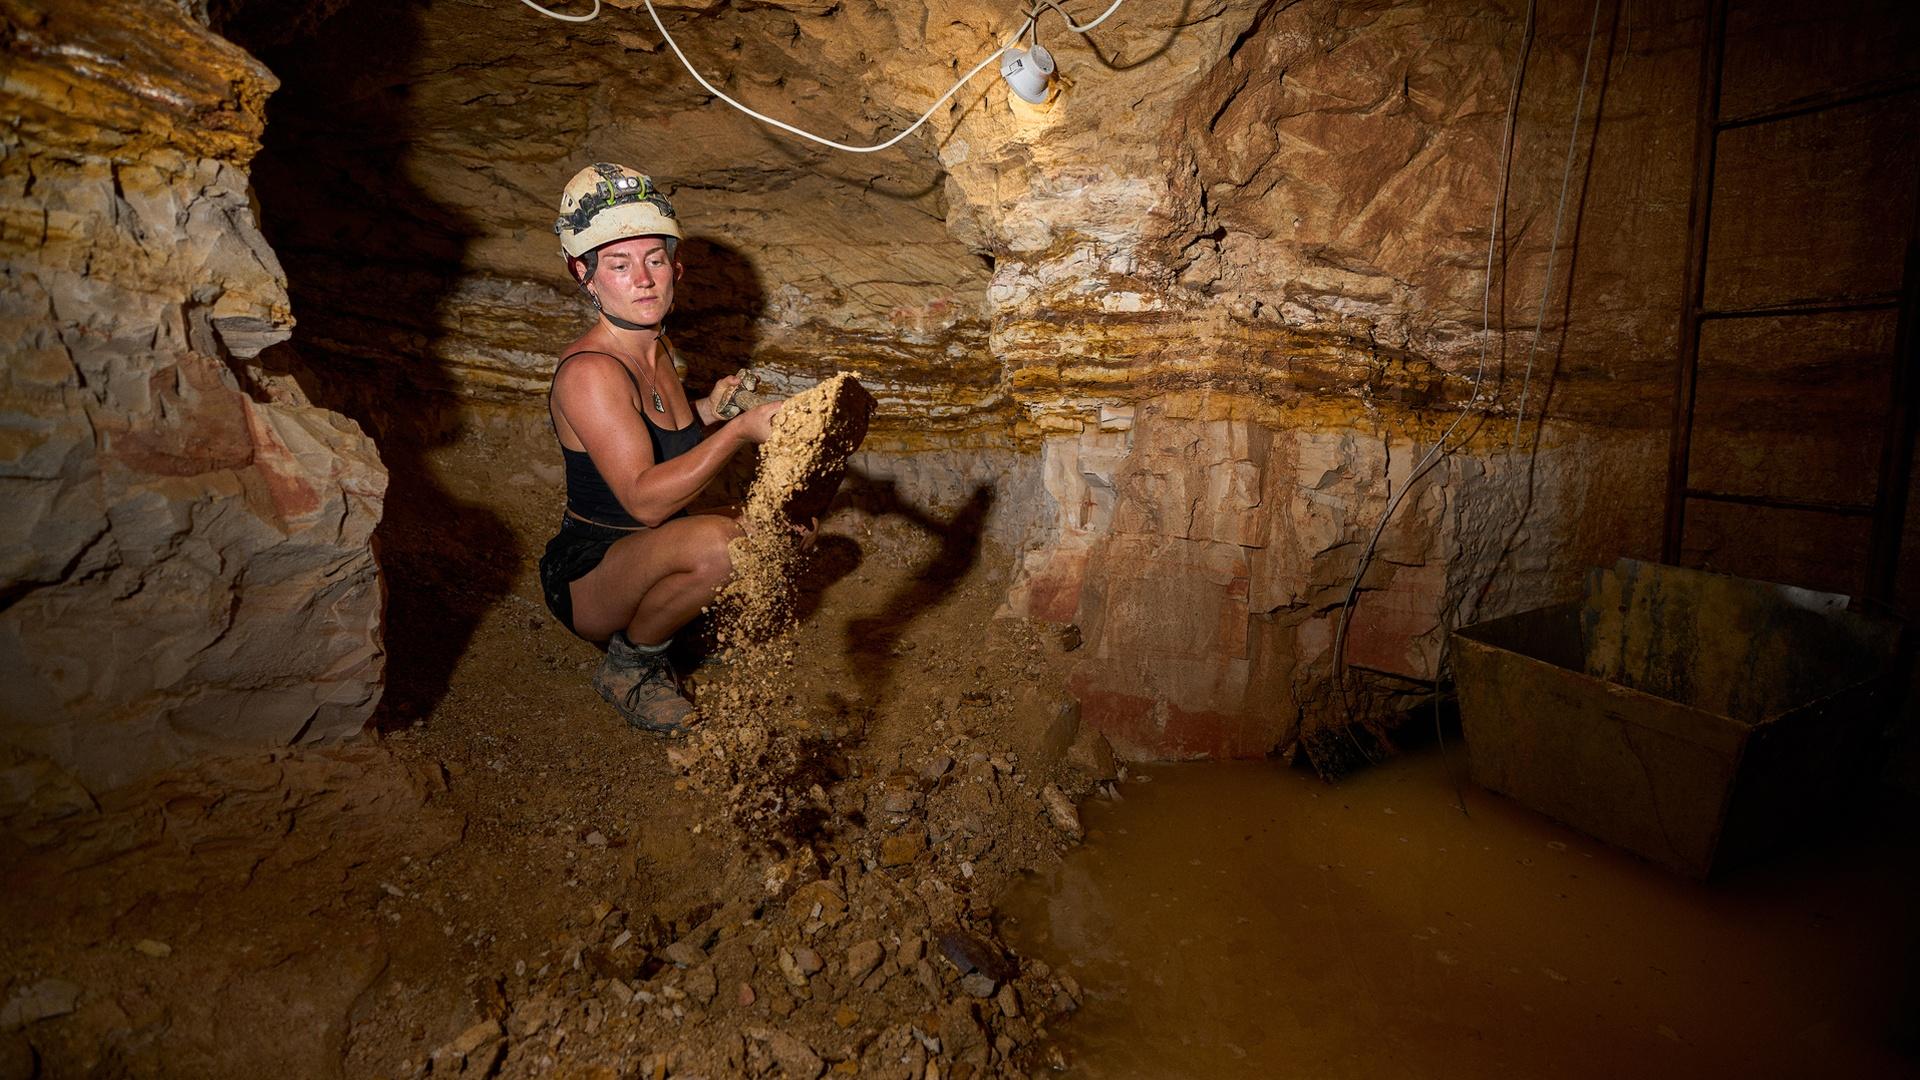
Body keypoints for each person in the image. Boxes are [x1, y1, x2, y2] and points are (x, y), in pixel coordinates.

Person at [538, 162, 782, 735]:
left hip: (651, 546)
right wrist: (738, 433)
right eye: (619, 265)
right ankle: (631, 667)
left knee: (791, 524)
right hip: (593, 569)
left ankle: (675, 619)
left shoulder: (653, 345)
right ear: (585, 275)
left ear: (676, 269)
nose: (643, 280)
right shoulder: (591, 372)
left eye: (654, 260)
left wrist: (710, 411)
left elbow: (650, 434)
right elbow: (646, 503)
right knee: (722, 546)